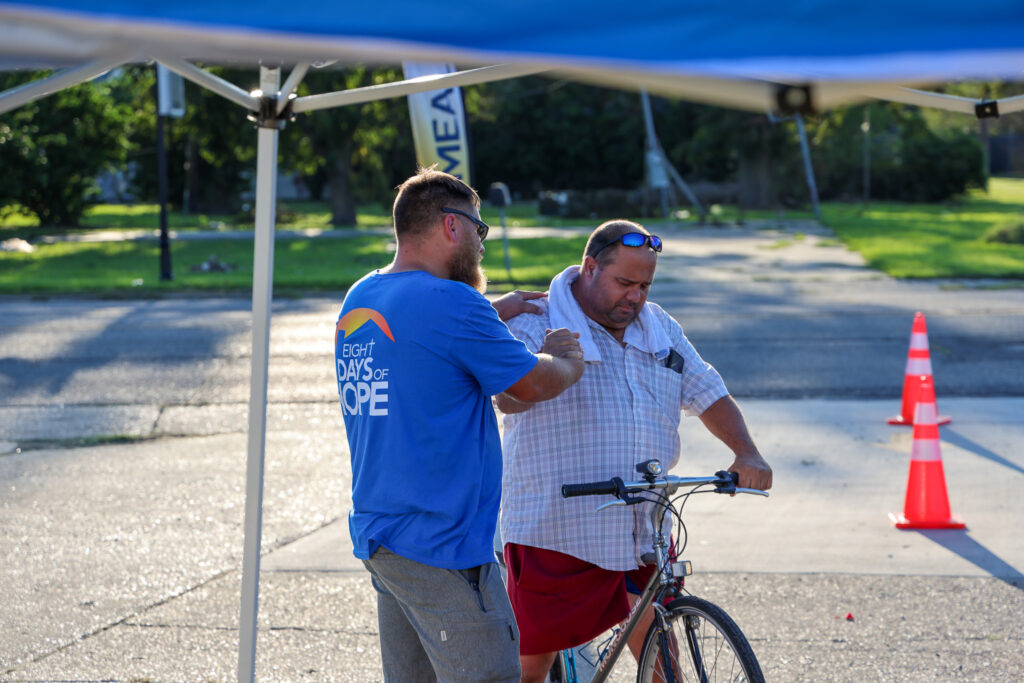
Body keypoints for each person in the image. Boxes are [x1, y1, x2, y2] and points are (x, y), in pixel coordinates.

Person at [334, 168, 584, 683]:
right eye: (478, 228)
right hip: (442, 545)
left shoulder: (363, 296)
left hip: (384, 537)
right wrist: (566, 361)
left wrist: (494, 311)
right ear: (452, 226)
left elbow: (423, 340)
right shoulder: (452, 303)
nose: (481, 242)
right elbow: (530, 384)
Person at [496, 220, 773, 683]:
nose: (635, 297)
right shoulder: (533, 322)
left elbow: (707, 390)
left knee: (663, 652)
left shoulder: (659, 326)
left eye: (644, 285)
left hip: (643, 527)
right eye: (624, 282)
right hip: (558, 530)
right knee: (531, 665)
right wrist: (548, 361)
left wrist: (748, 453)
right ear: (589, 268)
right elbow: (507, 398)